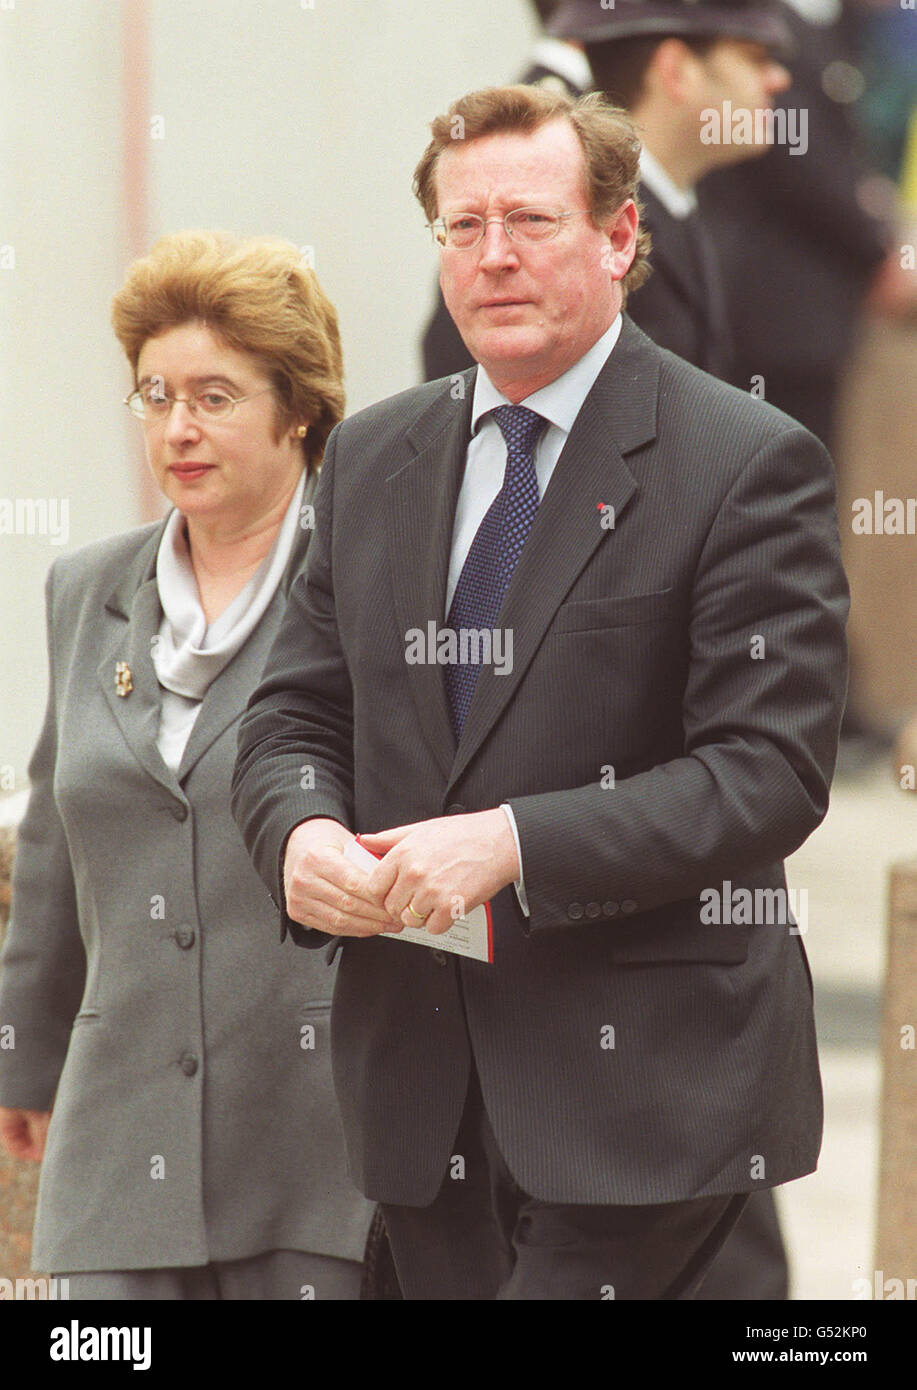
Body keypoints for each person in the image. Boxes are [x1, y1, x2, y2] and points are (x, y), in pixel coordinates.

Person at [232, 85, 849, 1301]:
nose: (493, 256)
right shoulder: (371, 457)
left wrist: (512, 843)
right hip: (417, 1083)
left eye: (529, 219)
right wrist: (295, 829)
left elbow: (765, 770)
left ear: (619, 240)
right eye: (462, 228)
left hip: (642, 1098)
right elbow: (295, 715)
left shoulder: (742, 461)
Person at [0, 230, 375, 1299]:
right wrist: (22, 1058)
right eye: (156, 395)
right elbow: (52, 843)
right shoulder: (86, 588)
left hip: (315, 1152)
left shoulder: (364, 586)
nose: (178, 428)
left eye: (214, 396)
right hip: (118, 1149)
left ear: (295, 407)